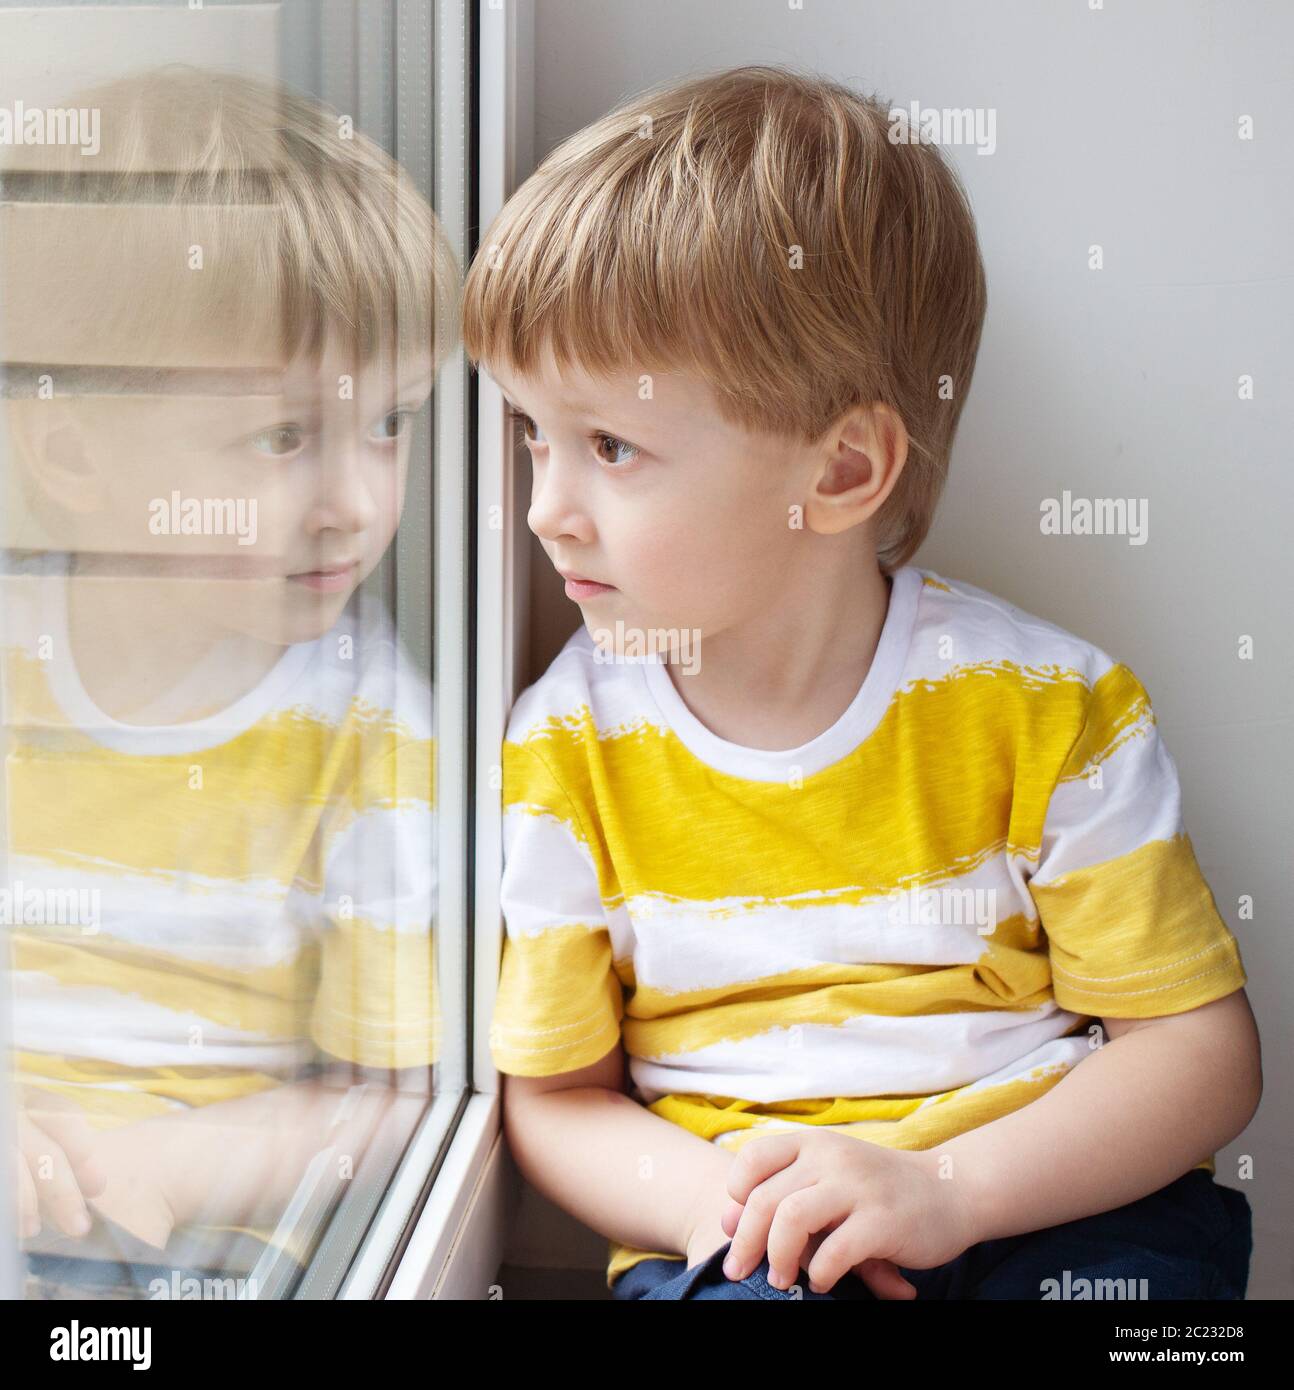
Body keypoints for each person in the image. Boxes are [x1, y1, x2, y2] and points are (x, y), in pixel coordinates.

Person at [466, 64, 1260, 1301]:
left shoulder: (1045, 709)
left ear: (839, 471)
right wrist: (739, 1212)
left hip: (1040, 1199)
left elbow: (1199, 1054)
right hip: (747, 1242)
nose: (546, 511)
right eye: (533, 438)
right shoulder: (566, 747)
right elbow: (557, 1098)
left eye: (609, 446)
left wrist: (946, 1193)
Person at [0, 65, 458, 1293]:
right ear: (74, 450)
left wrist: (137, 1161)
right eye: (283, 437)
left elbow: (386, 1097)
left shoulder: (371, 733)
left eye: (391, 423)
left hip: (183, 1247)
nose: (358, 506)